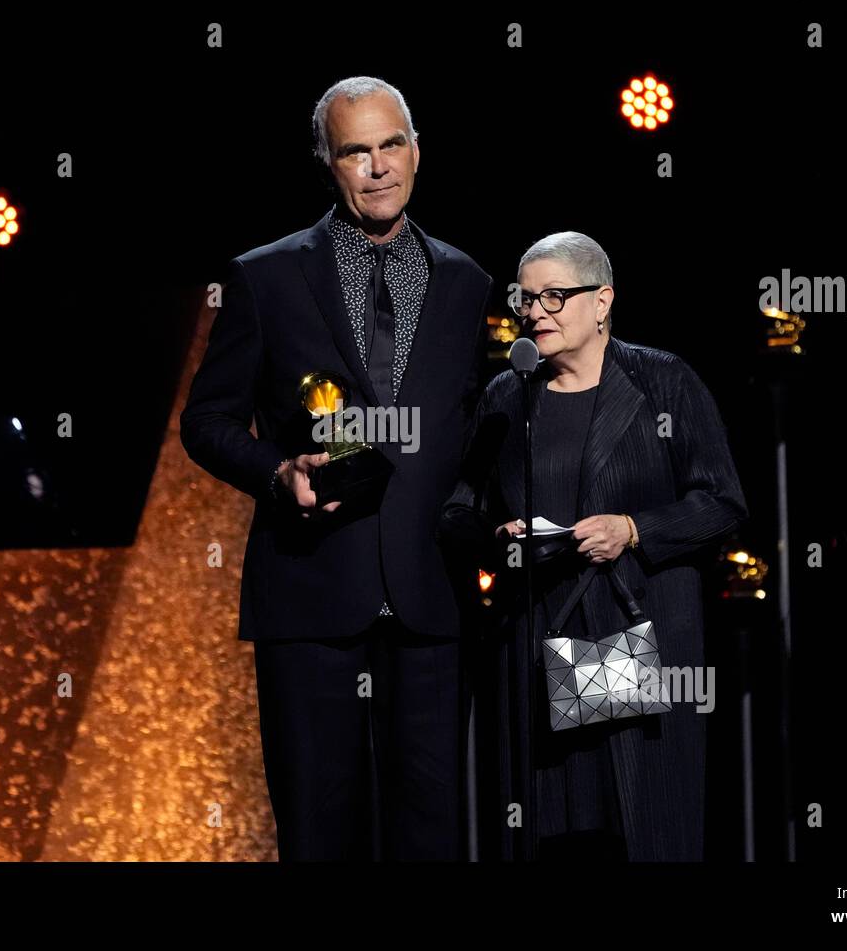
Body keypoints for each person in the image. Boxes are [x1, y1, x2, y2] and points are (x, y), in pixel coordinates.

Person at [180, 76, 493, 860]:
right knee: (319, 830)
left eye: (392, 145)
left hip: (432, 600)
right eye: (357, 151)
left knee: (434, 831)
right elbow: (207, 422)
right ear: (328, 163)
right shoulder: (265, 275)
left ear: (417, 152)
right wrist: (277, 472)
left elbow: (473, 432)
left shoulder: (468, 282)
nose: (379, 166)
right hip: (311, 591)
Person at [440, 231, 747, 861]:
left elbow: (722, 502)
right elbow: (456, 513)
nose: (535, 312)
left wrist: (633, 529)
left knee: (644, 830)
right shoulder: (508, 396)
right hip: (537, 640)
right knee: (550, 841)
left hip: (636, 637)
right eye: (526, 299)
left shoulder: (662, 382)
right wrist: (500, 539)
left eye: (555, 296)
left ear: (602, 301)